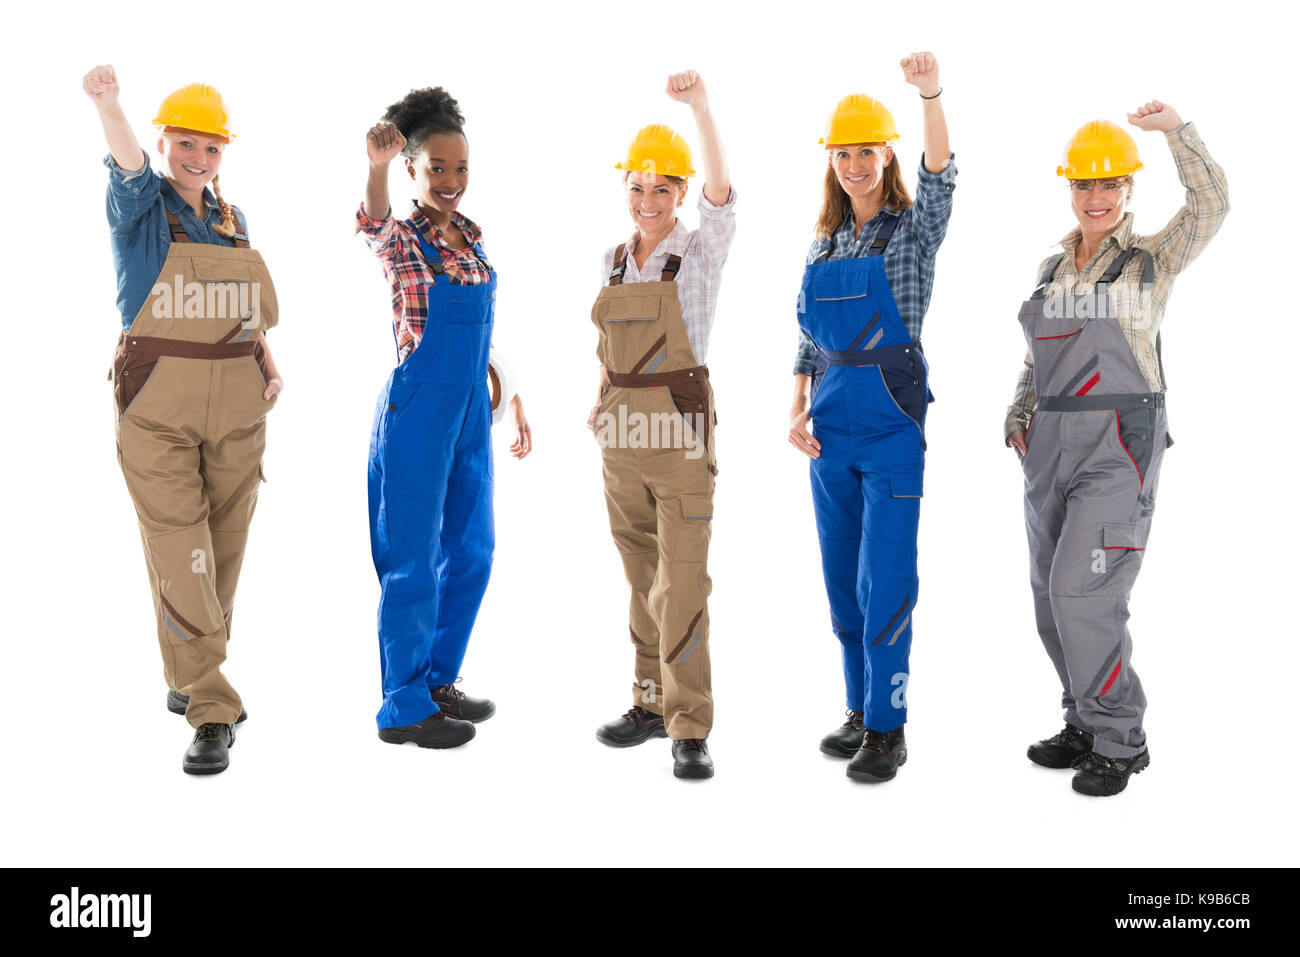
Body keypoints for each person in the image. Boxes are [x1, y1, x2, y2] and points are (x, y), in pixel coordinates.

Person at [1006, 102, 1228, 796]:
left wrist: (1173, 132)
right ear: (1069, 189)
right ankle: (1082, 720)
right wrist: (1019, 412)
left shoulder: (1148, 261)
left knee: (1085, 592)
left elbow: (1213, 203)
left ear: (1130, 189)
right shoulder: (1051, 266)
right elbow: (1037, 357)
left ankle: (1121, 738)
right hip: (1048, 445)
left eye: (1109, 185)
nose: (1095, 198)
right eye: (1083, 185)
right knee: (1049, 597)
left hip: (1116, 445)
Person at [87, 65, 284, 775]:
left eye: (211, 148)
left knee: (221, 550)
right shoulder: (140, 207)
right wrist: (111, 106)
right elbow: (128, 165)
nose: (197, 159)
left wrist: (267, 368)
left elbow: (246, 312)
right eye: (185, 145)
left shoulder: (233, 222)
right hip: (159, 412)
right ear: (165, 143)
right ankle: (210, 703)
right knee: (182, 550)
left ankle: (191, 666)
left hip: (238, 408)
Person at [788, 53, 956, 783]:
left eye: (866, 151)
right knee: (839, 576)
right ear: (833, 159)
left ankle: (888, 727)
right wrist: (795, 402)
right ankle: (858, 708)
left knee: (884, 576)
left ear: (885, 153)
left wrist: (929, 96)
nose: (855, 164)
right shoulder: (824, 238)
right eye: (844, 153)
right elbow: (809, 335)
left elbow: (942, 177)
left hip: (891, 428)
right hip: (828, 429)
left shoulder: (911, 231)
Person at [358, 88, 531, 750]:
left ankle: (436, 679)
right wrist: (374, 165)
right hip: (418, 413)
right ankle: (402, 704)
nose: (451, 181)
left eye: (460, 168)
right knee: (411, 560)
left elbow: (482, 335)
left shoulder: (474, 236)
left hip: (469, 411)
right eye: (436, 167)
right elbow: (372, 222)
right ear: (412, 168)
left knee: (474, 550)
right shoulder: (402, 240)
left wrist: (512, 396)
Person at [589, 70, 735, 780]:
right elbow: (612, 353)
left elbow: (723, 201)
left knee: (682, 583)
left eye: (662, 189)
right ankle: (648, 702)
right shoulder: (615, 261)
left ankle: (689, 724)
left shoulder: (698, 253)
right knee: (639, 576)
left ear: (680, 193)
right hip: (621, 442)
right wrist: (599, 402)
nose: (648, 201)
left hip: (678, 437)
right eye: (638, 188)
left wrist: (702, 112)